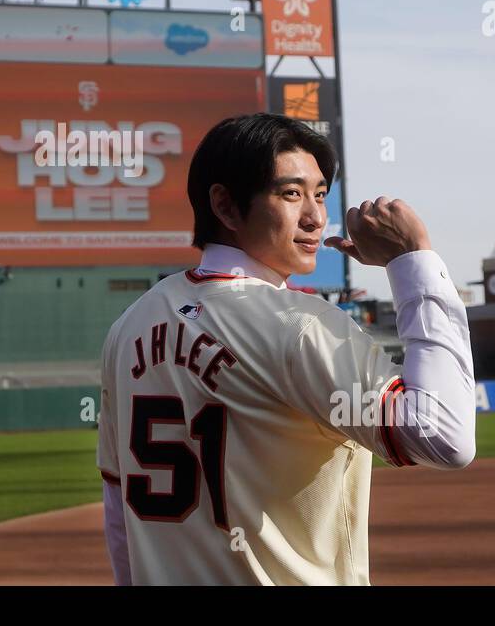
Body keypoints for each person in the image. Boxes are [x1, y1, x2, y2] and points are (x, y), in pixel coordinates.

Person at [96, 112, 475, 585]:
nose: (316, 217)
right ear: (226, 206)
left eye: (319, 194)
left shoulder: (130, 325)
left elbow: (120, 510)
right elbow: (445, 436)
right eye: (291, 194)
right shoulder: (301, 326)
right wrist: (412, 261)